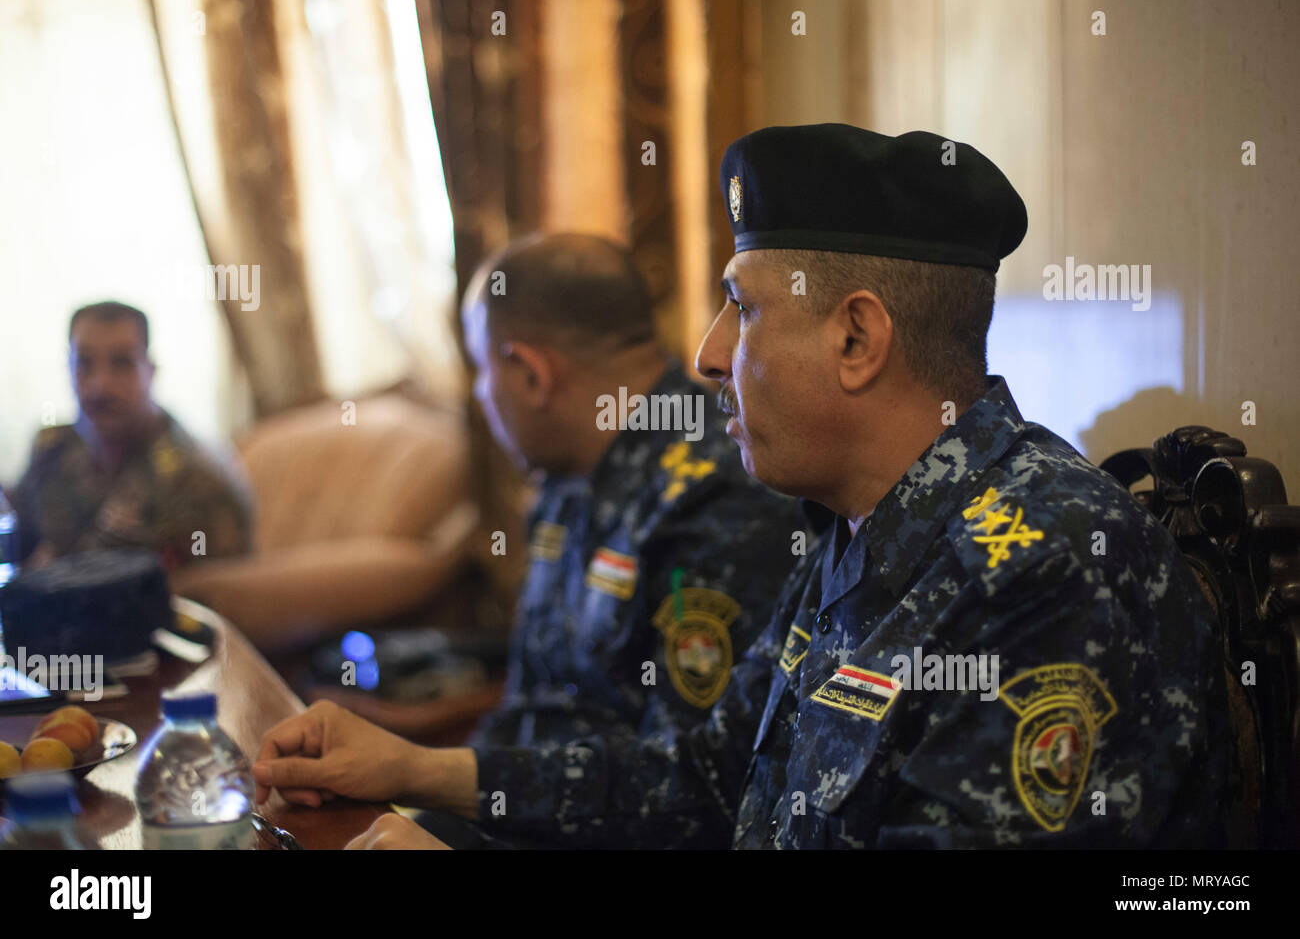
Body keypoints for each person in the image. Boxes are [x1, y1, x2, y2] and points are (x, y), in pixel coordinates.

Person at [253, 126, 1229, 849]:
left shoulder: (1042, 563)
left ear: (856, 338)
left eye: (742, 306)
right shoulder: (860, 523)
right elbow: (702, 777)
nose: (707, 355)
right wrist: (416, 766)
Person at [428, 233, 802, 847]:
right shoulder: (567, 474)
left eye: (481, 368)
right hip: (498, 811)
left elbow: (688, 794)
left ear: (529, 373)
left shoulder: (717, 497)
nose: (479, 396)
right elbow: (536, 701)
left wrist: (422, 775)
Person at [10, 300, 253, 573]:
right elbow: (17, 539)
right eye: (84, 363)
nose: (100, 385)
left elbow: (218, 597)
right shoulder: (52, 450)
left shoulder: (198, 478)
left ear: (150, 371)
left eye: (121, 363)